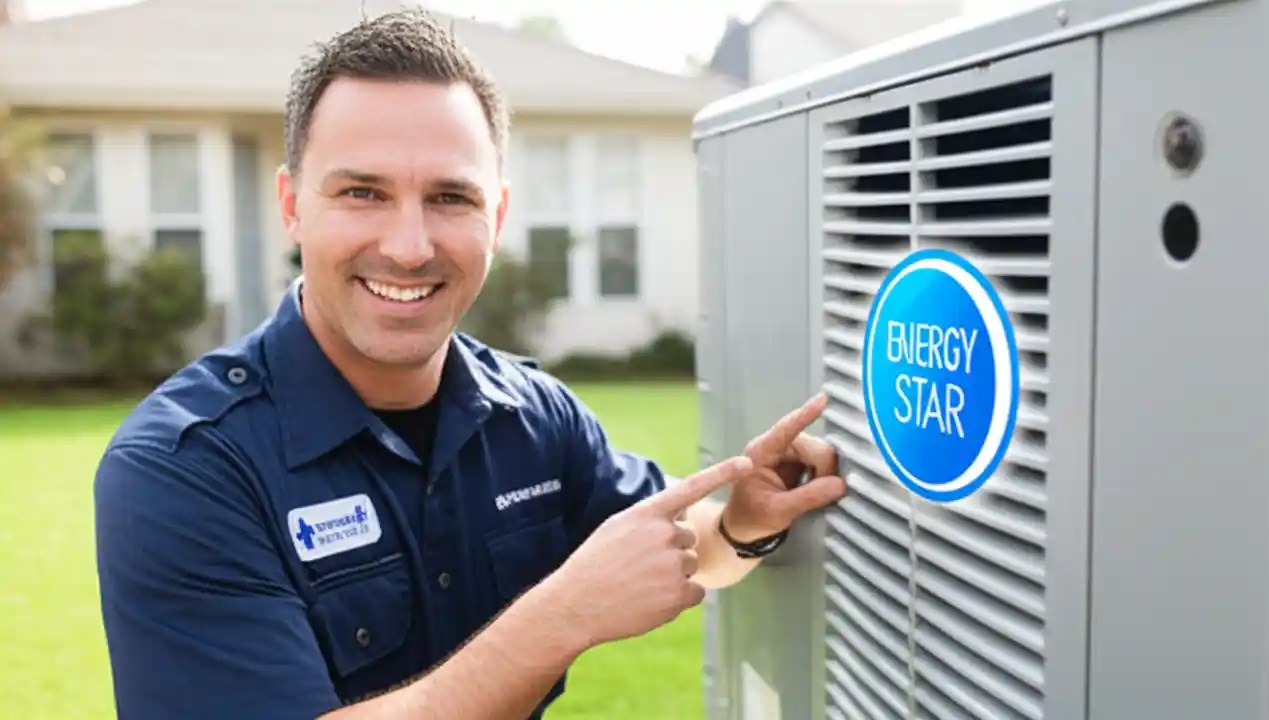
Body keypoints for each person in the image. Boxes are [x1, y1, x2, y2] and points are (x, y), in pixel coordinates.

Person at [92, 8, 847, 720]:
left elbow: (678, 544)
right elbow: (582, 597)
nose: (410, 246)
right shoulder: (183, 469)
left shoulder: (534, 417)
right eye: (363, 192)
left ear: (498, 214)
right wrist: (560, 616)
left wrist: (746, 521)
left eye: (451, 197)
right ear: (292, 205)